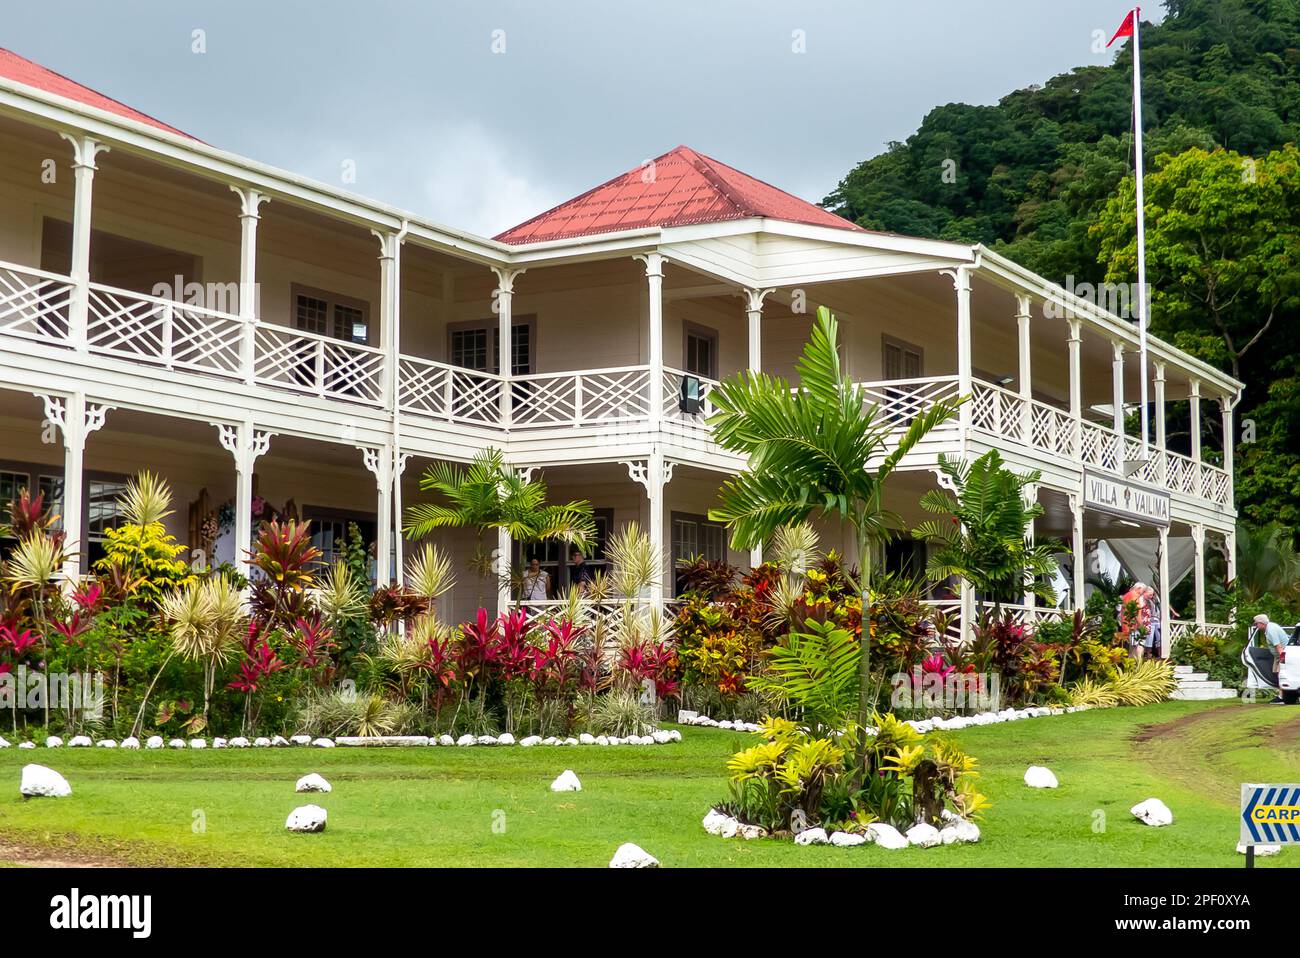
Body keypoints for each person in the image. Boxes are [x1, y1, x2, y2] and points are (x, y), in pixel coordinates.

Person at [1253, 613, 1290, 704]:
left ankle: (1282, 697)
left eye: (1257, 624)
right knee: (1278, 673)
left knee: (1281, 674)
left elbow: (1279, 646)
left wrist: (1283, 660)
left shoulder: (1271, 630)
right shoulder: (1271, 626)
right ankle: (1285, 695)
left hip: (1282, 654)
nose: (1256, 626)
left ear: (1262, 623)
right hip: (1279, 655)